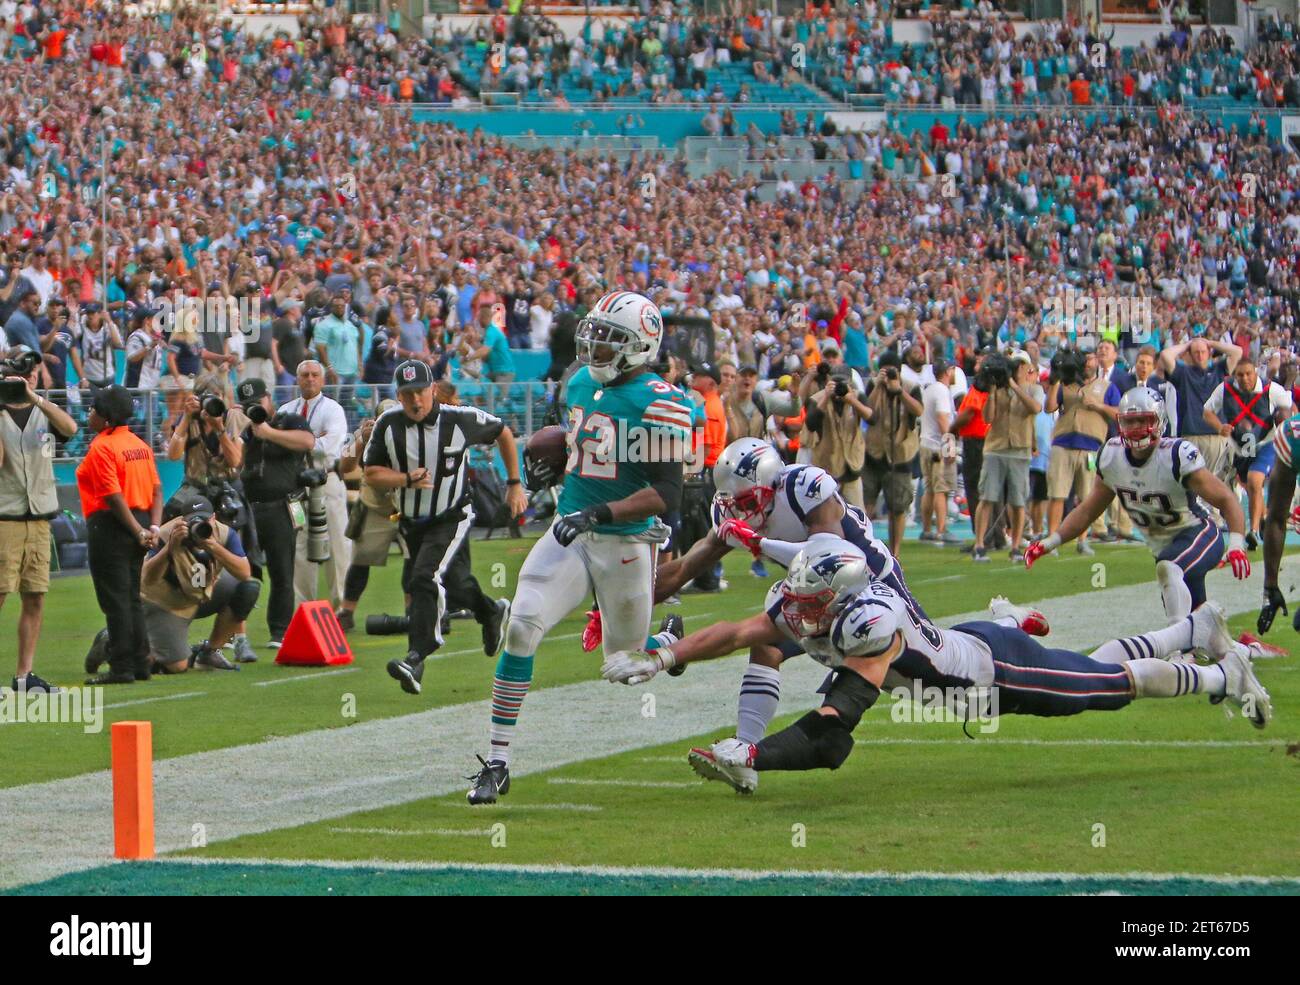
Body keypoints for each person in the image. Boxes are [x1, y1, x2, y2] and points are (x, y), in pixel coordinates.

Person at [601, 539, 1268, 793]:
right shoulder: (829, 601)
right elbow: (744, 628)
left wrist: (753, 754)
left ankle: (1220, 673)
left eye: (811, 602)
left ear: (842, 597)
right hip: (968, 649)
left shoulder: (870, 625)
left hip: (997, 675)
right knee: (1087, 666)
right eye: (797, 596)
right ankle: (1191, 626)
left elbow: (833, 737)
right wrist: (664, 654)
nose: (796, 610)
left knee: (1105, 688)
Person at [466, 291, 688, 805]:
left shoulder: (662, 401)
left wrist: (601, 512)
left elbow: (668, 496)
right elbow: (581, 443)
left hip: (626, 542)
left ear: (640, 346)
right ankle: (497, 762)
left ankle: (667, 643)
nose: (596, 347)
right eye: (596, 333)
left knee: (624, 666)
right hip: (571, 529)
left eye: (611, 339)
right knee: (521, 626)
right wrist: (559, 465)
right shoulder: (581, 381)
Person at [1027, 389, 1252, 631]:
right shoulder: (1111, 456)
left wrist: (1237, 545)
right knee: (1199, 628)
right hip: (1165, 546)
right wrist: (1050, 542)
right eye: (1130, 421)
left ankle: (1174, 650)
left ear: (1159, 421)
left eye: (1144, 420)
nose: (1136, 427)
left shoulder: (1176, 455)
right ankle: (1236, 651)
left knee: (1169, 569)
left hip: (1198, 534)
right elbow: (1087, 511)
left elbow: (1227, 499)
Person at [365, 360, 524, 695]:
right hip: (411, 520)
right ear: (398, 395)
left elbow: (503, 432)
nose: (415, 401)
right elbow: (371, 473)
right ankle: (491, 610)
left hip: (451, 515)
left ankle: (417, 657)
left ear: (433, 390)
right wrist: (405, 479)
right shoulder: (388, 424)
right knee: (456, 584)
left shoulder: (459, 419)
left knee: (423, 578)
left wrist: (514, 483)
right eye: (407, 394)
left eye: (420, 392)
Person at [0, 346, 77, 691]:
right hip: (6, 518)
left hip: (40, 516)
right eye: (22, 367)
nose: (30, 372)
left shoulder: (44, 410)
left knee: (35, 596)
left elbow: (71, 429)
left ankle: (23, 676)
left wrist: (34, 396)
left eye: (33, 367)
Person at [78, 386, 163, 685]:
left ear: (106, 417)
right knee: (131, 598)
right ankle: (141, 662)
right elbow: (156, 489)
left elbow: (113, 496)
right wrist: (151, 527)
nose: (89, 414)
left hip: (111, 525)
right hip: (139, 521)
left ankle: (122, 667)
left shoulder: (102, 447)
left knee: (115, 600)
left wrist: (136, 530)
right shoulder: (139, 444)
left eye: (94, 410)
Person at [139, 491, 260, 673]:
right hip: (167, 603)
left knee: (248, 588)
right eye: (193, 521)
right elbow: (148, 579)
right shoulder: (167, 533)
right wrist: (170, 548)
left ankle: (209, 652)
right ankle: (116, 641)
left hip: (202, 593)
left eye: (204, 520)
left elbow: (245, 573)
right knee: (177, 667)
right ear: (182, 520)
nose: (198, 526)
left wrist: (213, 546)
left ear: (213, 518)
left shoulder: (223, 533)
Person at [236, 377, 316, 648]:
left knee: (282, 571)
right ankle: (235, 631)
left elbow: (307, 441)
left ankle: (279, 632)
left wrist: (269, 433)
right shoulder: (246, 430)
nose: (255, 409)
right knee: (244, 570)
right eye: (250, 406)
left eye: (258, 403)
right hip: (251, 508)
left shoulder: (288, 420)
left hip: (283, 505)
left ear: (269, 399)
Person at [281, 360, 352, 610]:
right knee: (299, 544)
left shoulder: (333, 410)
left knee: (336, 542)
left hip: (327, 481)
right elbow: (279, 447)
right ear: (297, 379)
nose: (310, 379)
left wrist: (295, 441)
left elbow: (329, 446)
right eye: (304, 375)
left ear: (322, 380)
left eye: (314, 375)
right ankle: (303, 607)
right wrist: (312, 439)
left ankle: (342, 605)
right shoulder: (286, 410)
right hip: (295, 488)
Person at [1202, 358, 1292, 548]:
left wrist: (1284, 425)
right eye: (1240, 375)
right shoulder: (1225, 388)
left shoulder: (1272, 390)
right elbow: (1207, 412)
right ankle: (1263, 517)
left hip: (1265, 444)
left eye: (1248, 374)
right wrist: (1219, 427)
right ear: (1234, 375)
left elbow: (1289, 409)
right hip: (1236, 447)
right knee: (1224, 489)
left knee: (1254, 481)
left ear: (1255, 372)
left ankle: (1253, 531)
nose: (1244, 378)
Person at [335, 398, 404, 632]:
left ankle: (417, 611)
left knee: (417, 561)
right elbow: (344, 466)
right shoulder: (362, 434)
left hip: (408, 503)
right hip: (375, 503)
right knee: (361, 560)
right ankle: (346, 611)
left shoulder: (414, 432)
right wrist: (362, 438)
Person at [1044, 349, 1121, 555]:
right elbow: (1049, 407)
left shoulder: (1107, 387)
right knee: (1057, 494)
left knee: (1087, 499)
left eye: (1091, 359)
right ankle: (1052, 540)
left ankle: (1082, 540)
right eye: (1084, 360)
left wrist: (1098, 406)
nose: (1088, 363)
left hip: (1091, 447)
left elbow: (1119, 413)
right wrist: (1054, 381)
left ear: (1097, 362)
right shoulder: (1066, 384)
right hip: (1063, 442)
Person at [973, 351, 1043, 563]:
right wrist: (994, 391)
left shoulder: (1034, 389)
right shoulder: (998, 389)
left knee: (1018, 501)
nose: (1018, 368)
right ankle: (979, 544)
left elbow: (1035, 408)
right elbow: (988, 417)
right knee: (987, 497)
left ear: (1027, 368)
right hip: (996, 447)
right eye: (1015, 365)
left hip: (1020, 450)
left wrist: (1014, 386)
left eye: (1022, 365)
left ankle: (1015, 545)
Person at [859, 352, 923, 557]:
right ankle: (864, 549)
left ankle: (894, 554)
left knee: (898, 507)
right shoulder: (873, 386)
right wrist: (879, 386)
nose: (887, 374)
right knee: (866, 504)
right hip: (874, 452)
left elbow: (918, 410)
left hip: (900, 454)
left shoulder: (911, 386)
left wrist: (899, 391)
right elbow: (868, 413)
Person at [1160, 336, 1243, 485]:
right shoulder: (1183, 372)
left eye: (1203, 352)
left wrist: (1210, 342)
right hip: (1191, 435)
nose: (1200, 355)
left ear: (1209, 353)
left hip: (1216, 435)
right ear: (1190, 354)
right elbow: (1166, 355)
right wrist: (1187, 344)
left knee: (1217, 483)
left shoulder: (1219, 370)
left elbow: (1237, 351)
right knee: (1191, 483)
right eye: (1196, 352)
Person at [802, 360, 871, 509]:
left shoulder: (857, 396)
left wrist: (852, 401)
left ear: (850, 382)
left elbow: (872, 418)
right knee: (825, 514)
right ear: (828, 380)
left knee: (858, 515)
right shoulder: (817, 398)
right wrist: (826, 397)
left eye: (843, 382)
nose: (839, 386)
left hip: (852, 467)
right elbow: (811, 424)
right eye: (835, 381)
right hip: (826, 468)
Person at [918, 357, 959, 548]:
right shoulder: (942, 391)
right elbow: (943, 419)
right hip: (937, 446)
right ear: (948, 371)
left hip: (925, 442)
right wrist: (950, 445)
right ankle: (942, 530)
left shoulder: (929, 389)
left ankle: (927, 529)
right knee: (941, 489)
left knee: (929, 488)